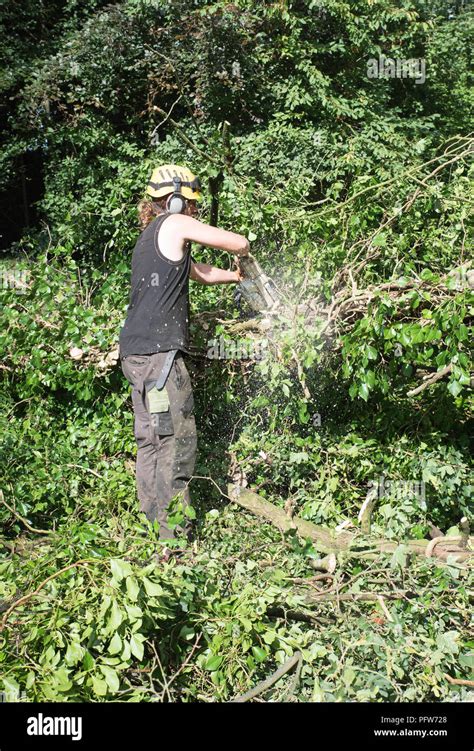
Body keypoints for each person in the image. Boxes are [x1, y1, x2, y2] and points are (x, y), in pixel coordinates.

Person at [119, 164, 249, 548]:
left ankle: (154, 528)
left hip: (136, 356)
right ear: (174, 199)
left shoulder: (149, 237)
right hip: (161, 359)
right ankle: (175, 540)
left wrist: (234, 277)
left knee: (151, 440)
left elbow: (195, 272)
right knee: (175, 439)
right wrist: (245, 247)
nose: (193, 211)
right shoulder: (173, 224)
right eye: (191, 202)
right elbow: (236, 242)